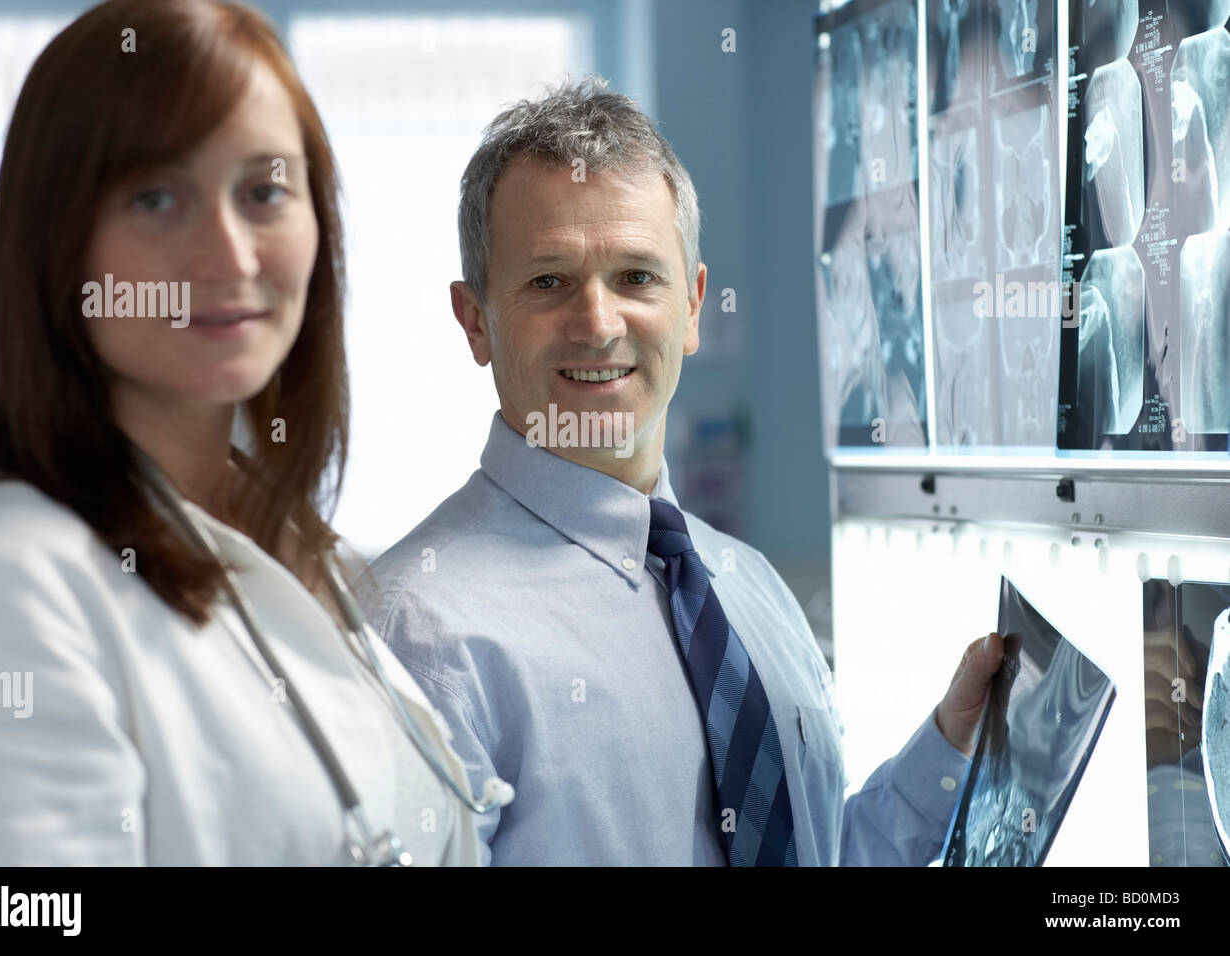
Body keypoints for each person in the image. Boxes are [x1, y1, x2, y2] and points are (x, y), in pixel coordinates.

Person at [358, 77, 1004, 866]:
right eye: (548, 281)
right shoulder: (415, 635)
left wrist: (951, 750)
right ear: (474, 320)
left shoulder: (748, 588)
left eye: (636, 277)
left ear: (693, 307)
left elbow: (819, 853)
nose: (598, 324)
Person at [0, 0, 480, 866]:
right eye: (156, 197)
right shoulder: (4, 583)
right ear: (56, 245)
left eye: (264, 191)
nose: (228, 257)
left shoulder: (310, 556)